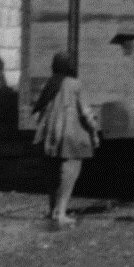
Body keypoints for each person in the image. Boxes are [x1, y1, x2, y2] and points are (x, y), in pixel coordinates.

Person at [32, 50, 99, 228]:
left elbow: (39, 109)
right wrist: (94, 132)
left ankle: (53, 209)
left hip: (49, 135)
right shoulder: (75, 85)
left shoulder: (51, 83)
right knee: (69, 174)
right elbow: (85, 113)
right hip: (70, 136)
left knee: (52, 174)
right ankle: (61, 213)